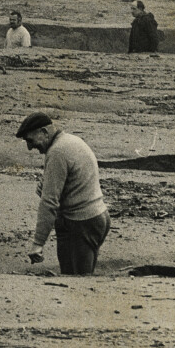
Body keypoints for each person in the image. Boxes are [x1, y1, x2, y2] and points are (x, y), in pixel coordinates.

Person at [15, 112, 110, 274]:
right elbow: (75, 182)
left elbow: (49, 203)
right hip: (97, 217)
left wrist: (38, 243)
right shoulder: (70, 141)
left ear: (44, 132)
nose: (29, 147)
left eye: (30, 141)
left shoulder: (57, 152)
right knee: (80, 276)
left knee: (77, 282)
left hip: (81, 223)